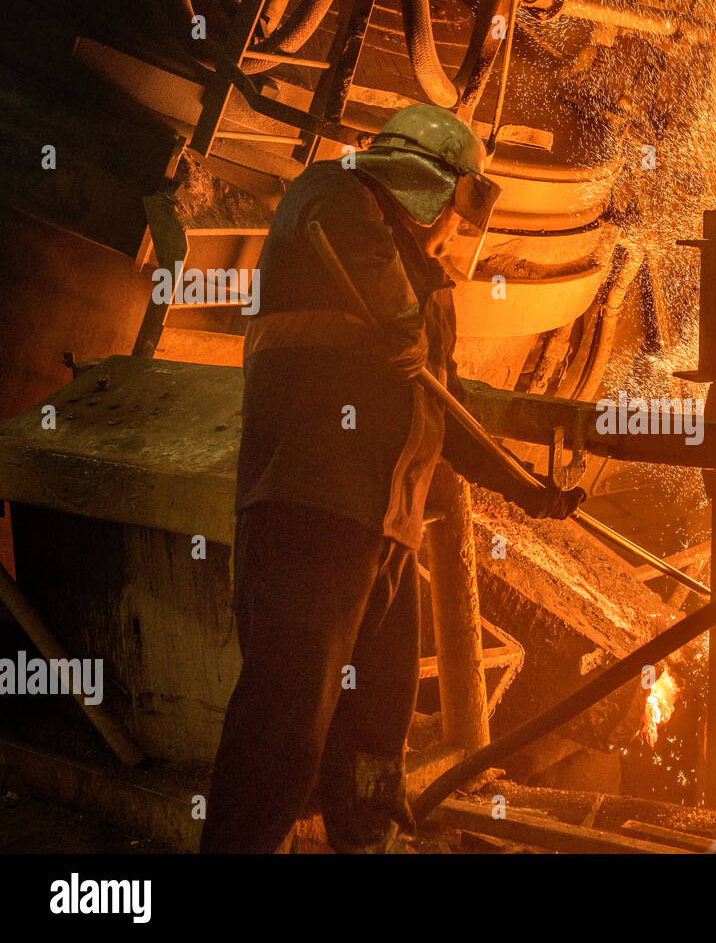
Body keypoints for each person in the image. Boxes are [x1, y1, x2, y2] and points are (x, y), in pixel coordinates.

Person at [201, 105, 584, 853]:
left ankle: (366, 837)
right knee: (286, 720)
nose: (453, 233)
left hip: (386, 529)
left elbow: (446, 410)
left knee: (378, 721)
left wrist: (523, 485)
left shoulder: (429, 291)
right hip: (311, 511)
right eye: (452, 210)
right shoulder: (331, 201)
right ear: (425, 187)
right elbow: (331, 215)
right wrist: (400, 318)